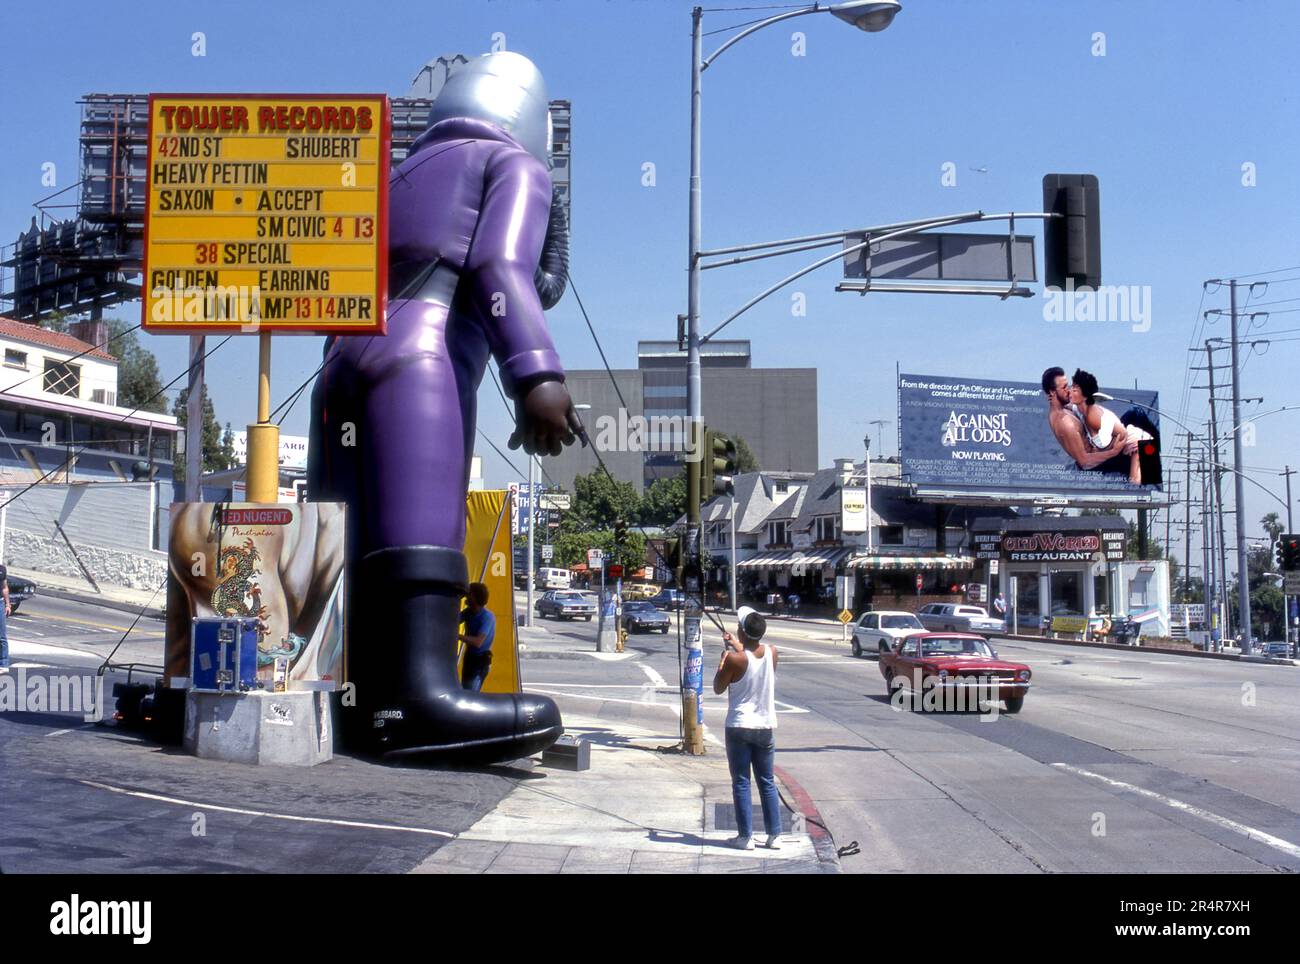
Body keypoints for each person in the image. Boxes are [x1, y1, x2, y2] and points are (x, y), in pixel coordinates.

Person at [712, 606, 782, 850]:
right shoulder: (772, 653)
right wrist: (737, 644)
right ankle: (774, 835)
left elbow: (718, 687)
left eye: (739, 628)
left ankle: (746, 837)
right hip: (765, 727)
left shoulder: (733, 659)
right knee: (767, 781)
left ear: (743, 631)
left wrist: (722, 662)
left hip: (739, 726)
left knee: (741, 782)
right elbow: (753, 658)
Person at [1070, 369, 1160, 485]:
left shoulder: (1095, 416)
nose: (1070, 392)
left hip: (1135, 445)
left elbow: (1121, 435)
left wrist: (1111, 450)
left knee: (1139, 482)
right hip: (1120, 451)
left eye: (1075, 389)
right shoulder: (1078, 410)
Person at [1041, 366, 1129, 474]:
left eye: (1068, 386)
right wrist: (1113, 452)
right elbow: (1084, 461)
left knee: (1133, 416)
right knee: (1136, 414)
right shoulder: (1065, 423)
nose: (1068, 390)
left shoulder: (1062, 408)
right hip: (1097, 464)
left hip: (1101, 449)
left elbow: (1072, 404)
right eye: (1064, 388)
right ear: (1052, 391)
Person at [458, 582, 496, 692]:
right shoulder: (468, 612)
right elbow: (451, 621)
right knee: (465, 690)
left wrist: (458, 636)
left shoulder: (487, 617)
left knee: (471, 693)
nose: (466, 597)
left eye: (468, 594)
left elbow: (478, 642)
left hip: (480, 660)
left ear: (474, 597)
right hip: (470, 657)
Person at [0, 562, 9, 671]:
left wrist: (7, 604)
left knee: (2, 635)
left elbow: (4, 587)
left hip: (0, 603)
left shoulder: (2, 569)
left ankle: (4, 663)